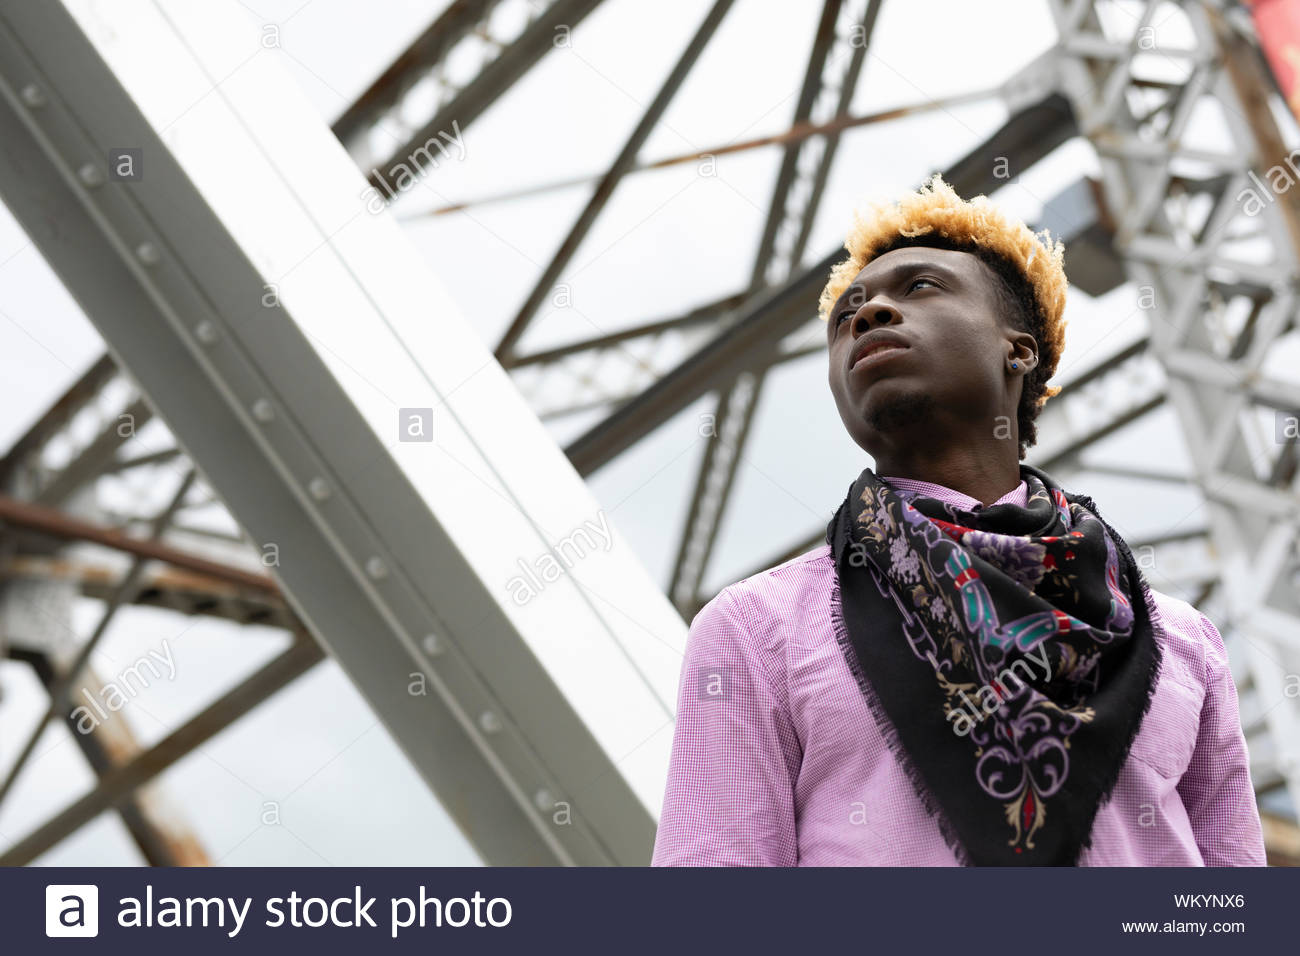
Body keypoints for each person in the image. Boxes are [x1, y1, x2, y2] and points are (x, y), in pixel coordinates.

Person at [651, 175, 1266, 866]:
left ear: (1019, 349)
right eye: (846, 314)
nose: (869, 313)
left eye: (918, 288)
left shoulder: (1183, 641)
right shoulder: (755, 628)